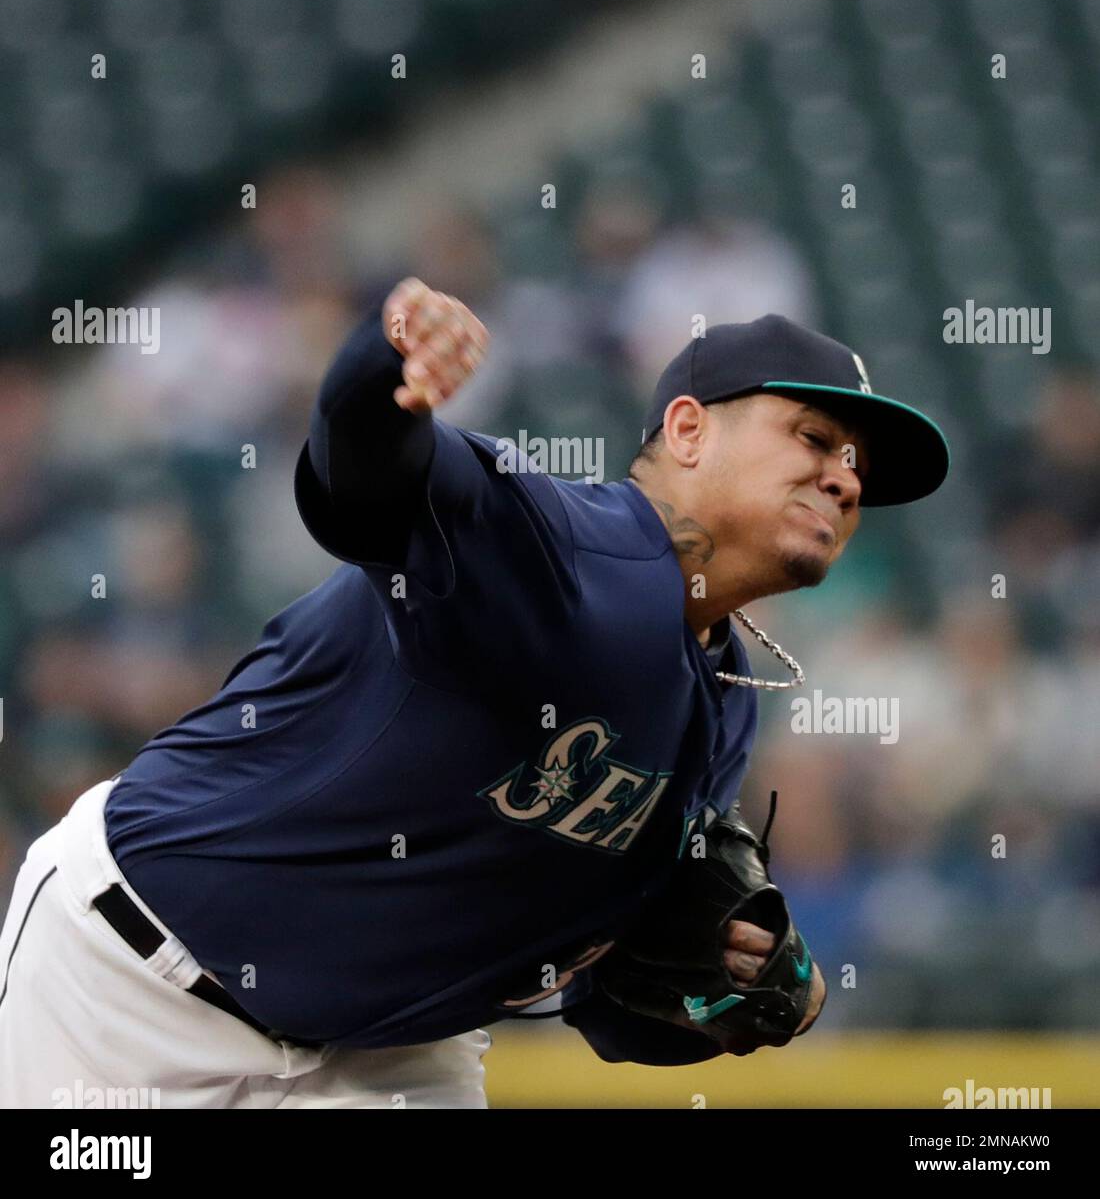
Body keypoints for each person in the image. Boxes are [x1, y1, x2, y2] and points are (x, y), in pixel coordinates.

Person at [0, 279, 949, 1108]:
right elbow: (364, 473)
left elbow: (607, 1001)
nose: (844, 478)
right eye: (816, 437)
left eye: (859, 465)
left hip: (384, 1060)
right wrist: (387, 368)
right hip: (130, 983)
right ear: (690, 428)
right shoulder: (556, 546)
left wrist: (733, 989)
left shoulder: (725, 708)